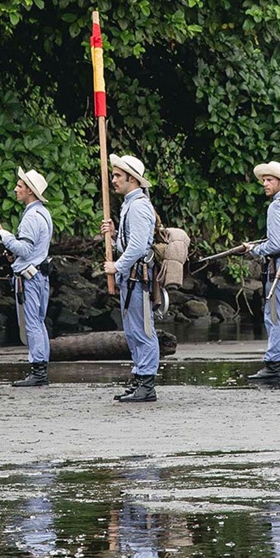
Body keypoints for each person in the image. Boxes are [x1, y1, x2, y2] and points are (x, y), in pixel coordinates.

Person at [100, 154, 161, 403]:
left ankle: (147, 383)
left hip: (138, 276)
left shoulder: (138, 206)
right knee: (133, 330)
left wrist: (116, 266)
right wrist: (114, 237)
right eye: (113, 175)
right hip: (131, 276)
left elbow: (137, 247)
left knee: (143, 329)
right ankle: (139, 378)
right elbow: (129, 243)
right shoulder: (130, 204)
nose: (113, 180)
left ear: (132, 179)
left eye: (117, 175)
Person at [0, 168, 54, 387]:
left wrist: (3, 236)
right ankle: (41, 369)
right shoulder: (44, 213)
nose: (15, 189)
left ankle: (38, 371)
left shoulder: (30, 217)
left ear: (30, 190)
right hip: (41, 274)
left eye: (19, 186)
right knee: (38, 322)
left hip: (30, 277)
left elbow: (26, 250)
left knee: (32, 324)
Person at [245, 161, 280, 382]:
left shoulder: (277, 206)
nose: (265, 184)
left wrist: (254, 250)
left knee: (275, 317)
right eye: (264, 180)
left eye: (269, 180)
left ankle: (272, 365)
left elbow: (276, 244)